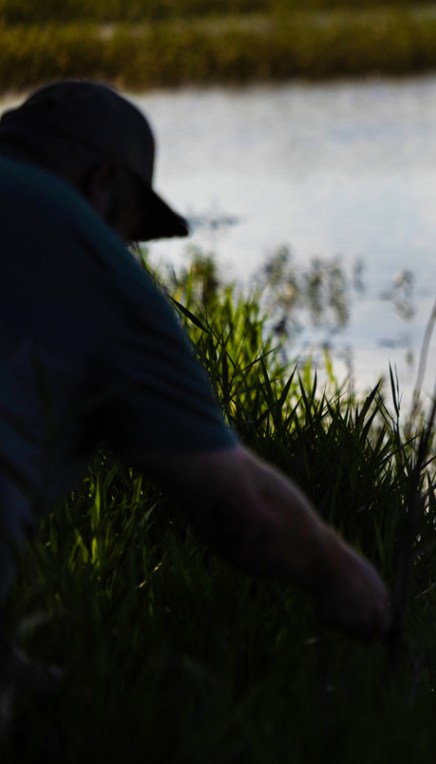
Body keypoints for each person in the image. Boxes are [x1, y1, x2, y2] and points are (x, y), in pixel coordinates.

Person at [0, 80, 391, 656]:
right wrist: (342, 574)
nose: (122, 248)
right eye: (126, 231)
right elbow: (242, 510)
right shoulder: (92, 259)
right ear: (102, 186)